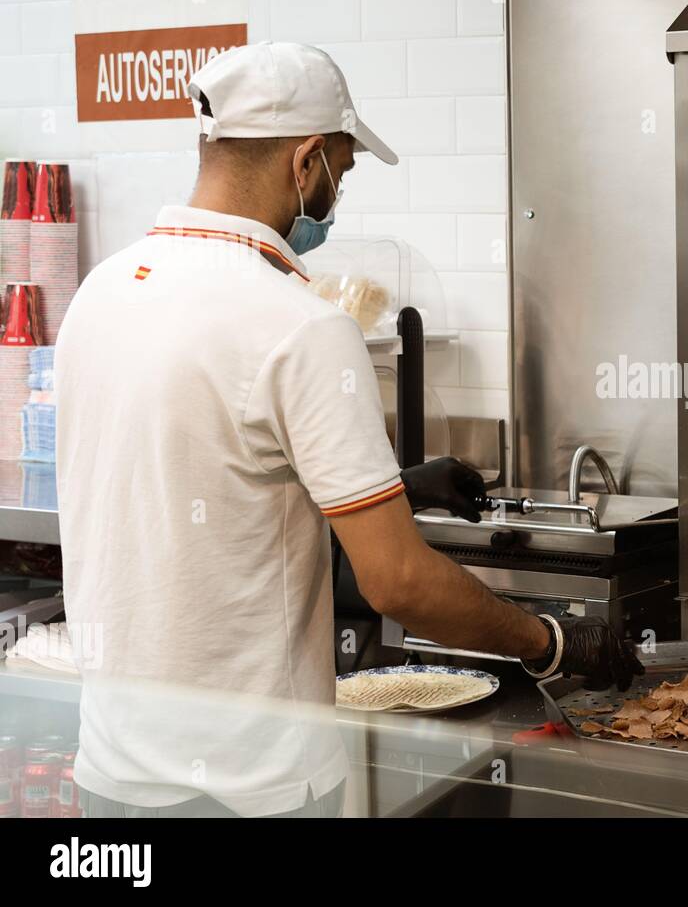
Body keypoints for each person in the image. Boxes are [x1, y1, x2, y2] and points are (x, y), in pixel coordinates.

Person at [54, 42, 642, 818]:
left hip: (112, 777)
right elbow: (398, 582)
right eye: (343, 169)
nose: (338, 194)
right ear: (306, 163)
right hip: (249, 793)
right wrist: (552, 642)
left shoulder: (102, 292)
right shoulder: (299, 324)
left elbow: (206, 480)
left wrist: (388, 484)